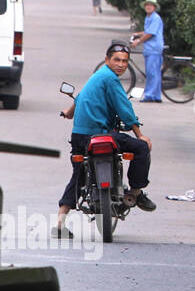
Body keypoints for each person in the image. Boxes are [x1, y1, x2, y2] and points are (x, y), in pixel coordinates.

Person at [54, 41, 156, 237]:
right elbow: (124, 108)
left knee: (79, 175)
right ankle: (135, 194)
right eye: (117, 60)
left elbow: (82, 95)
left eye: (125, 61)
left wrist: (69, 112)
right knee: (141, 148)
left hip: (80, 137)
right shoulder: (110, 79)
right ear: (107, 60)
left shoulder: (98, 76)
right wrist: (140, 135)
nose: (121, 64)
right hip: (101, 134)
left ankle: (60, 222)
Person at [130, 0, 165, 102]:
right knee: (153, 73)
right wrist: (138, 34)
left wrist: (138, 41)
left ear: (154, 7)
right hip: (150, 48)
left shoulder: (155, 18)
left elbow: (150, 33)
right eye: (147, 4)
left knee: (152, 73)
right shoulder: (148, 17)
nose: (148, 6)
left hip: (154, 48)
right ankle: (156, 96)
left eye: (151, 5)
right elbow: (147, 31)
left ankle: (150, 95)